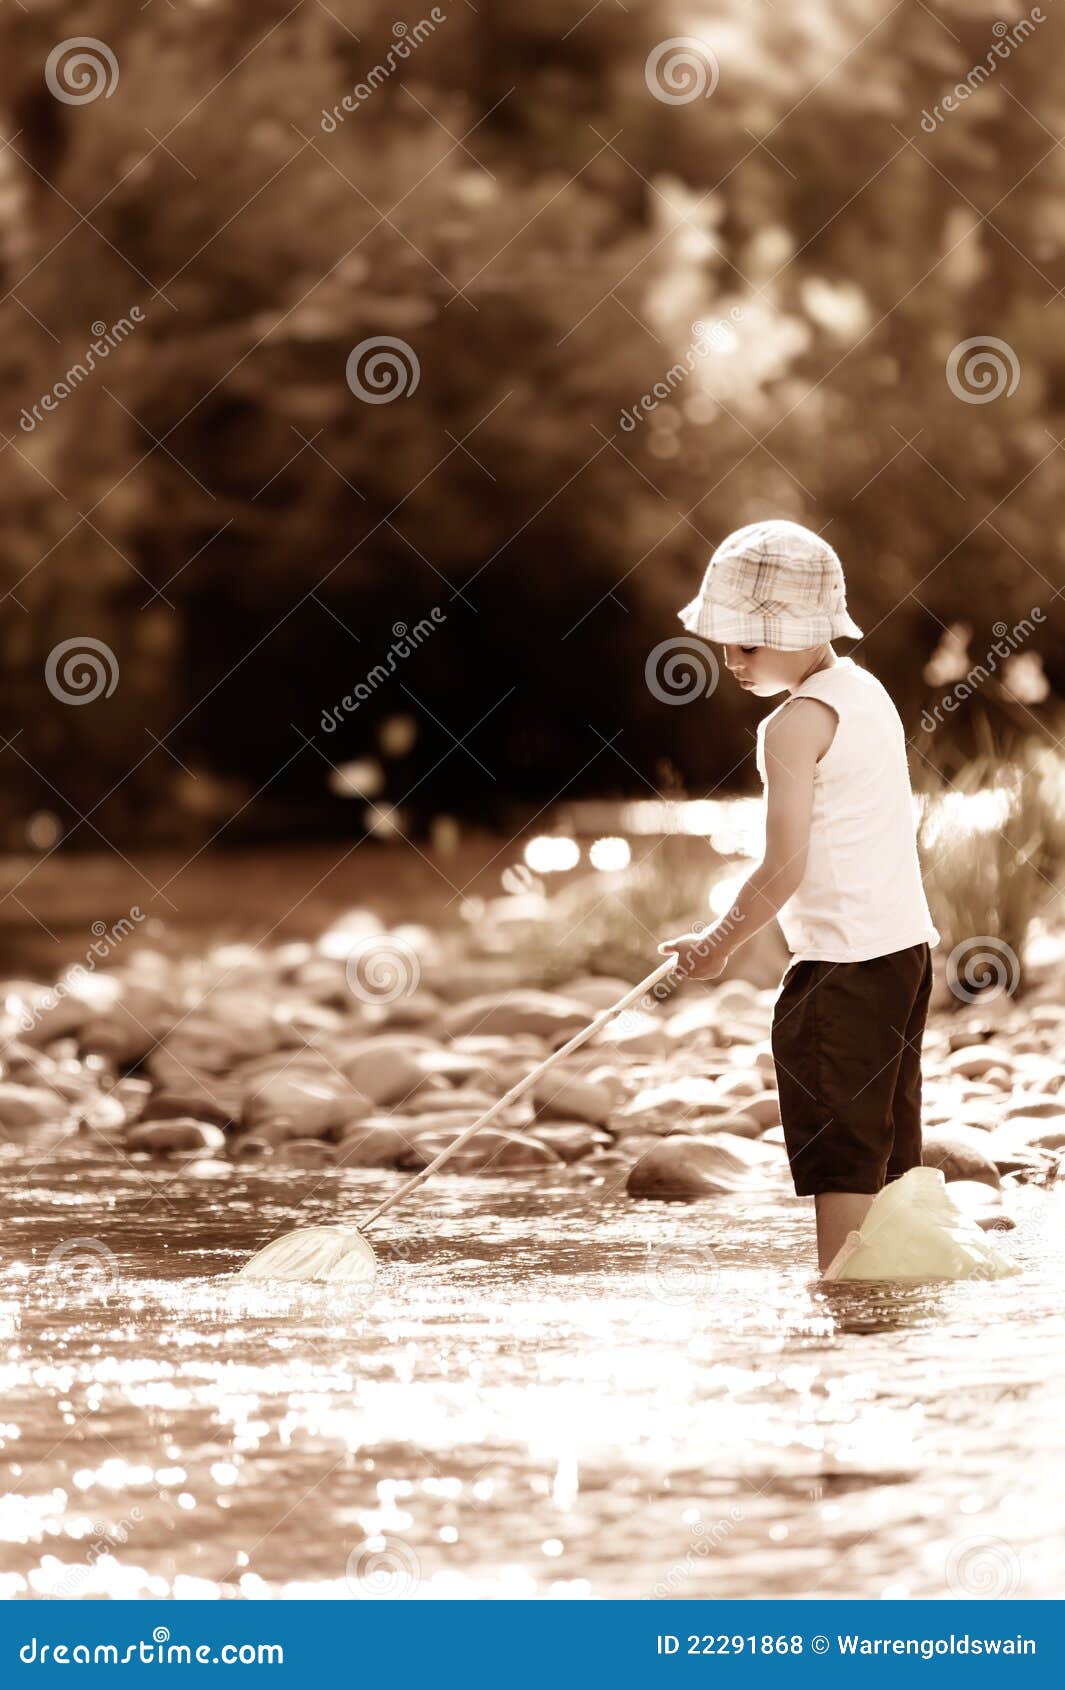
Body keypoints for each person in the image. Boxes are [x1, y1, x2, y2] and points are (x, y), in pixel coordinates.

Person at [658, 519, 940, 1274]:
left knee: (842, 1167)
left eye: (749, 643)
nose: (731, 659)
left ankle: (845, 1316)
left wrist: (714, 946)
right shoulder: (866, 692)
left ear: (804, 630)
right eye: (725, 641)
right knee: (888, 1163)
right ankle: (898, 1320)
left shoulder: (790, 726)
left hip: (840, 971)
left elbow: (783, 866)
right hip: (904, 957)